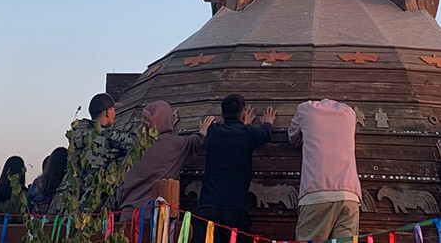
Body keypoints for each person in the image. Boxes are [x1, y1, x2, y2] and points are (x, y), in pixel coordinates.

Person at [196, 94, 276, 236]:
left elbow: (219, 132)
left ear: (222, 113)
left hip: (207, 206)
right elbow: (265, 134)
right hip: (234, 209)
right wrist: (268, 122)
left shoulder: (213, 131)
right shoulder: (249, 134)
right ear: (243, 113)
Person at [118, 101, 216, 210]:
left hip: (127, 215)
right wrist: (202, 131)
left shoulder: (135, 144)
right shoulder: (174, 144)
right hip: (154, 219)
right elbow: (194, 143)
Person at [288, 98, 362, 243]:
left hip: (315, 194)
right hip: (349, 196)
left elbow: (293, 137)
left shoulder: (305, 109)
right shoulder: (349, 113)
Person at [57, 93, 140, 215]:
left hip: (71, 206)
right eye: (113, 110)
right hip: (96, 207)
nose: (115, 114)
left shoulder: (78, 134)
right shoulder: (108, 137)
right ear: (107, 112)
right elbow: (137, 143)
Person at [32, 149, 68, 215]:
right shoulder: (71, 182)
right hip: (64, 221)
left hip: (40, 221)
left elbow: (28, 203)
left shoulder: (38, 183)